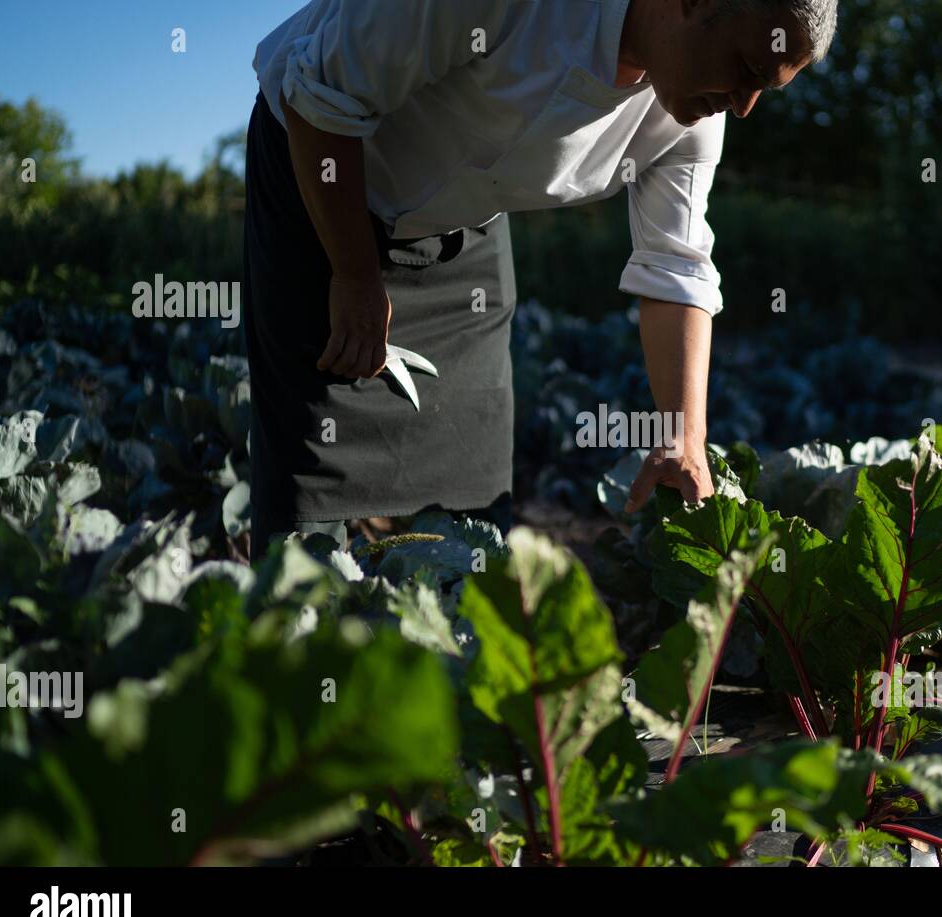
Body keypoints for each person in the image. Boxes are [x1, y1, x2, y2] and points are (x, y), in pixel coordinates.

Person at [243, 0, 838, 559]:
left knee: (471, 495)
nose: (745, 105)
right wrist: (353, 275)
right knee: (310, 478)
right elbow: (321, 97)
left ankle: (448, 652)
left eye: (767, 87)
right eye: (747, 69)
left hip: (465, 230)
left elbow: (676, 265)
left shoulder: (693, 116)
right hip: (325, 186)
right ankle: (301, 648)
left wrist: (683, 435)